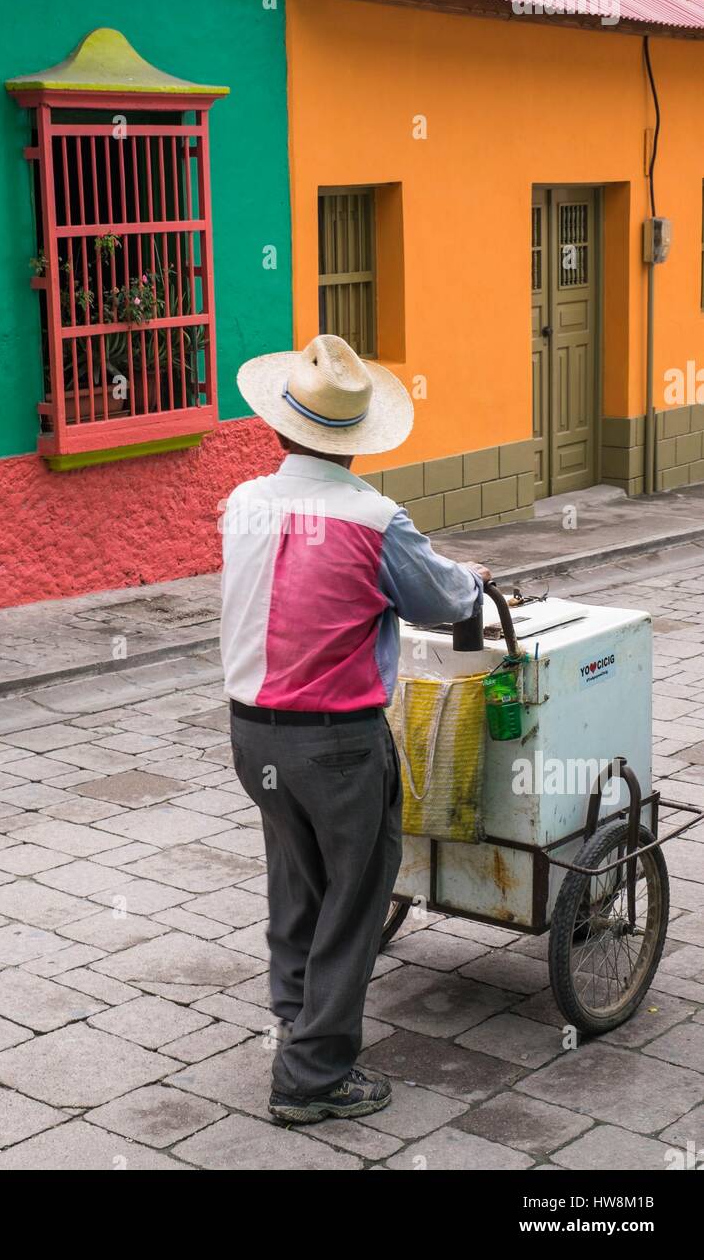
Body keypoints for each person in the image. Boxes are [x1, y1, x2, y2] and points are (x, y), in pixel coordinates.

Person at [220, 334, 490, 1125]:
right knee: (355, 895)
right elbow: (441, 601)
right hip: (336, 739)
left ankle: (296, 1015)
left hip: (252, 737)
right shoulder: (375, 518)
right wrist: (465, 580)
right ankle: (313, 1075)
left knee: (295, 880)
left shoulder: (243, 502)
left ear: (280, 427)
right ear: (355, 440)